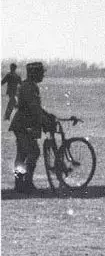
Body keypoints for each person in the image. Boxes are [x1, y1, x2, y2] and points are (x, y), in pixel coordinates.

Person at [10, 61, 54, 193]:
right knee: (33, 152)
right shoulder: (29, 87)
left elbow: (36, 108)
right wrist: (46, 121)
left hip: (22, 125)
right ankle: (26, 183)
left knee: (22, 154)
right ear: (34, 73)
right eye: (41, 72)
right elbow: (34, 109)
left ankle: (20, 184)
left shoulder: (29, 86)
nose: (43, 75)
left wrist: (47, 115)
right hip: (23, 125)